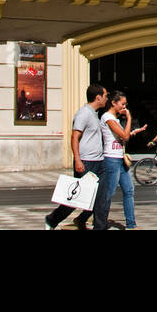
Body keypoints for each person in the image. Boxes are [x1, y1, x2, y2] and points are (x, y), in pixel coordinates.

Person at [45, 84, 108, 230]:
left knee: (100, 198)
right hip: (86, 162)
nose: (106, 99)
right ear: (98, 97)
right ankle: (52, 219)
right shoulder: (83, 113)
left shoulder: (94, 114)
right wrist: (78, 159)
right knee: (78, 198)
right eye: (105, 96)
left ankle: (99, 227)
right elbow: (74, 137)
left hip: (99, 162)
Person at [95, 91, 145, 229]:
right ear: (113, 103)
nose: (124, 107)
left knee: (129, 190)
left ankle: (131, 224)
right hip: (111, 159)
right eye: (122, 104)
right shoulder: (107, 117)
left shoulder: (115, 119)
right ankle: (96, 221)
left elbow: (124, 136)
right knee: (107, 193)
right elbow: (124, 135)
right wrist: (129, 118)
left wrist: (133, 131)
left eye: (126, 105)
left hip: (120, 159)